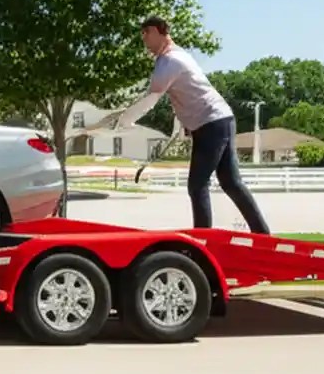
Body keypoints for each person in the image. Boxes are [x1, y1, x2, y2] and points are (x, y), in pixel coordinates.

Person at [115, 16, 270, 234]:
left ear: (161, 32)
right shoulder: (177, 57)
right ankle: (262, 234)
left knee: (198, 185)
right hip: (221, 120)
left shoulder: (169, 61)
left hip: (211, 123)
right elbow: (183, 96)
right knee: (231, 183)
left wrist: (124, 120)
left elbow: (151, 99)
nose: (144, 39)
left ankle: (203, 239)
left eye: (146, 32)